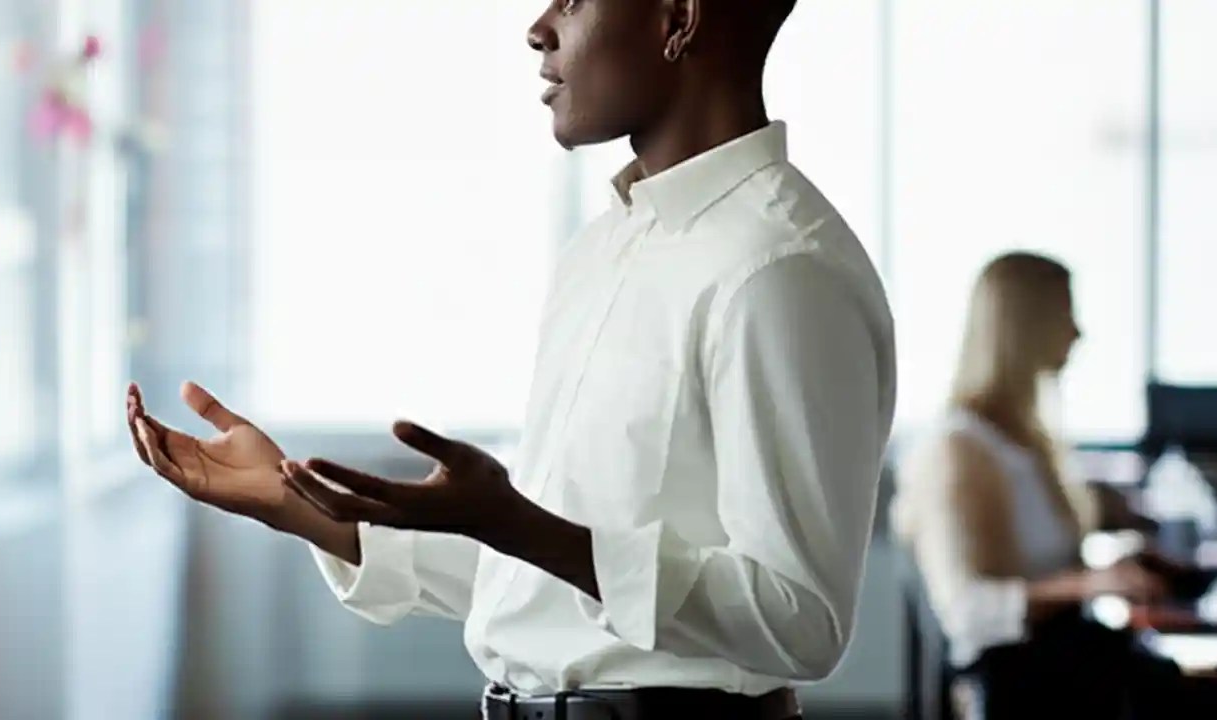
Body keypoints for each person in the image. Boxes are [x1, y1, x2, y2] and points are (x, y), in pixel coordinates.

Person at [127, 1, 897, 718]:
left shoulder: (779, 270)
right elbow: (552, 581)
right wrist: (301, 506)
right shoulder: (604, 250)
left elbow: (802, 621)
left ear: (678, 17)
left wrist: (524, 528)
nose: (538, 28)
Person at [891, 252, 1217, 719]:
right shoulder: (959, 448)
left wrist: (1113, 571)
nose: (1076, 332)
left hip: (1070, 658)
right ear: (1024, 327)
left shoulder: (1026, 441)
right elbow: (967, 609)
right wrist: (1091, 584)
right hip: (1025, 678)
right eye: (1064, 315)